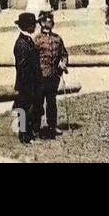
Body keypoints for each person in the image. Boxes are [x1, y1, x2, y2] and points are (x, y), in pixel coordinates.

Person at [34, 10, 69, 138]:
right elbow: (33, 58)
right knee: (38, 102)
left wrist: (63, 64)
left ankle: (52, 126)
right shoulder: (36, 40)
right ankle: (36, 127)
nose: (50, 22)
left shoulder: (57, 39)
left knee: (52, 102)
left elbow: (64, 54)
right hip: (40, 77)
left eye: (51, 20)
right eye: (48, 20)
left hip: (54, 76)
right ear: (42, 23)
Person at [12, 12, 43, 144]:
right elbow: (23, 67)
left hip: (31, 82)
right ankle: (25, 136)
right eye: (33, 24)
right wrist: (27, 84)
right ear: (27, 26)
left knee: (31, 108)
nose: (35, 26)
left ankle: (29, 133)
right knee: (25, 109)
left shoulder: (27, 40)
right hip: (26, 83)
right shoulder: (22, 44)